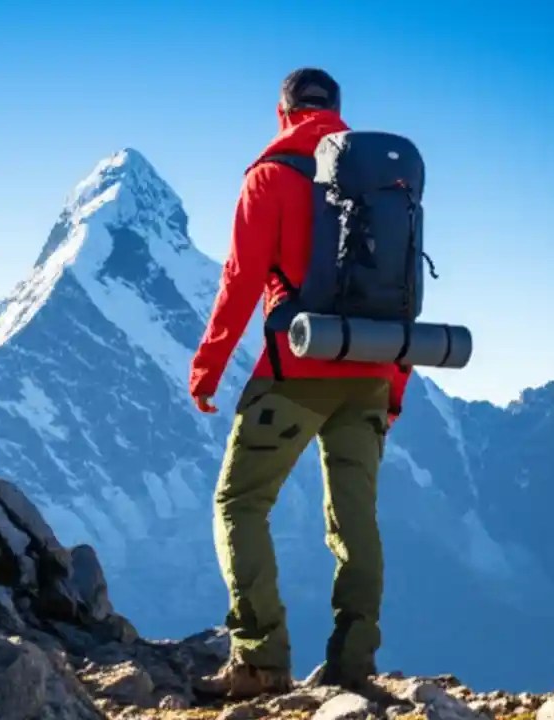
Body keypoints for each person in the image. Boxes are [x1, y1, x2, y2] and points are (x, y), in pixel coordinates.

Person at [189, 67, 411, 699]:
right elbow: (399, 296)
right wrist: (393, 386)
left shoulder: (271, 176)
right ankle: (354, 664)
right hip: (369, 371)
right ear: (338, 112)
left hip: (295, 371)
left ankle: (259, 658)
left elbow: (240, 282)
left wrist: (207, 370)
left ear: (281, 114)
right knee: (355, 518)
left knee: (240, 503)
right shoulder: (385, 185)